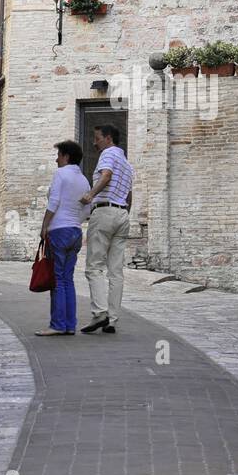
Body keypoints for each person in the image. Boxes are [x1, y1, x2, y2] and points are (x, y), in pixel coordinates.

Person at [79, 124, 134, 335]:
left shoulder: (107, 154)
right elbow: (129, 196)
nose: (94, 142)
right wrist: (124, 214)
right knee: (116, 271)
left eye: (97, 138)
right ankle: (112, 319)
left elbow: (106, 175)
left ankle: (99, 313)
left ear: (108, 138)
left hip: (104, 212)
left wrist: (90, 195)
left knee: (94, 266)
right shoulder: (128, 165)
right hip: (122, 214)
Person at [35, 140, 91, 336]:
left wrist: (45, 226)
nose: (56, 159)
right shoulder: (84, 180)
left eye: (58, 155)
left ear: (66, 156)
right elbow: (87, 208)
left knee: (57, 279)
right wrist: (75, 220)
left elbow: (54, 201)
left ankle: (57, 324)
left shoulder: (61, 174)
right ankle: (69, 324)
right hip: (75, 231)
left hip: (59, 230)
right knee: (68, 278)